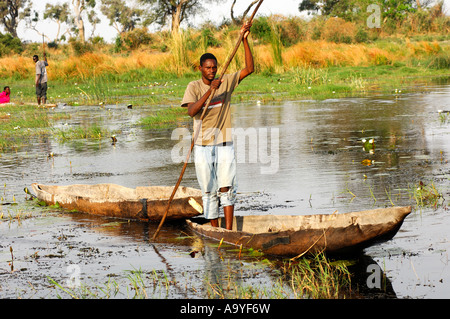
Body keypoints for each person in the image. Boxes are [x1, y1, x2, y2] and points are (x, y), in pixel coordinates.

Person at [181, 22, 254, 230]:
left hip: (224, 143)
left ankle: (228, 231)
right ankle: (214, 230)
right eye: (208, 68)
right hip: (203, 146)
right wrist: (210, 91)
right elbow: (192, 111)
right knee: (209, 190)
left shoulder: (226, 81)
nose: (212, 71)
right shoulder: (194, 87)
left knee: (227, 187)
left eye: (214, 67)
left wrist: (245, 40)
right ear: (201, 69)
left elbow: (250, 69)